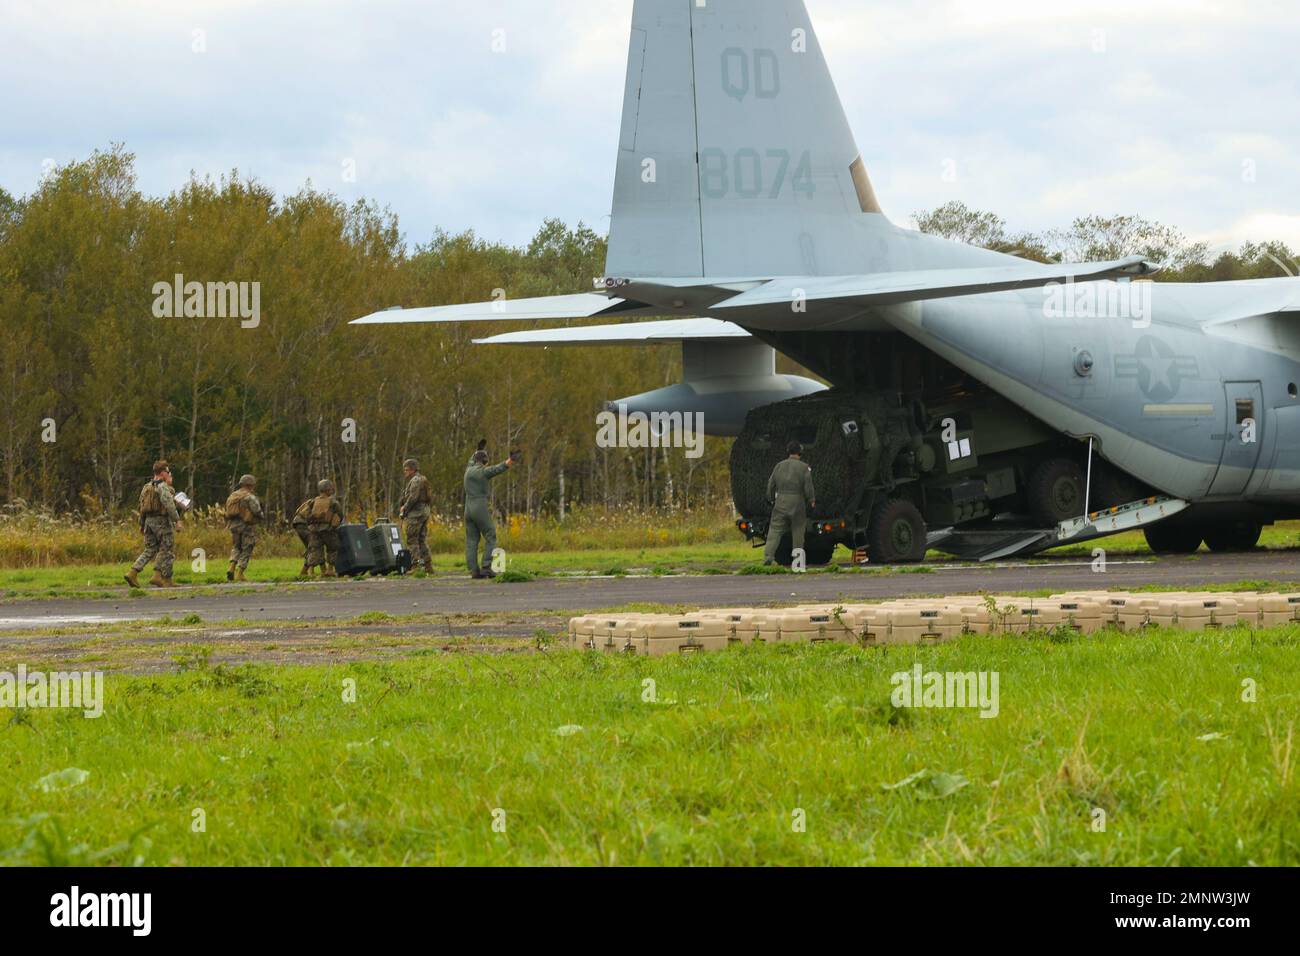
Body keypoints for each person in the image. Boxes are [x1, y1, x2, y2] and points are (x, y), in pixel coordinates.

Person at [124, 460, 182, 589]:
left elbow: (141, 506)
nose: (169, 473)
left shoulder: (147, 487)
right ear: (162, 473)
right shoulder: (162, 487)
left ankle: (132, 572)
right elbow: (169, 504)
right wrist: (177, 520)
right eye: (168, 471)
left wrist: (142, 524)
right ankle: (159, 577)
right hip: (161, 521)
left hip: (148, 522)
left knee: (150, 549)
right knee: (166, 549)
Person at [464, 448, 518, 579]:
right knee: (490, 534)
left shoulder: (468, 469)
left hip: (468, 508)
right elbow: (498, 468)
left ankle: (474, 570)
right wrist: (510, 460)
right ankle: (486, 566)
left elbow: (472, 459)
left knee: (471, 540)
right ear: (485, 461)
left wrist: (477, 449)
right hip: (479, 506)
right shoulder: (483, 472)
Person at [763, 441, 817, 566]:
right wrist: (811, 500)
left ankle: (768, 558)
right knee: (798, 532)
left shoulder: (779, 466)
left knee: (775, 530)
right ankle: (797, 562)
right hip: (797, 502)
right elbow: (808, 486)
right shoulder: (804, 467)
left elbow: (770, 485)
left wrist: (771, 499)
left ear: (788, 452)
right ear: (800, 452)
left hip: (780, 501)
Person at [224, 474, 263, 582]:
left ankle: (231, 567)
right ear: (250, 485)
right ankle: (240, 573)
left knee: (236, 547)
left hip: (233, 526)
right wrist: (261, 517)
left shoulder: (233, 496)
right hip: (246, 526)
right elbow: (257, 510)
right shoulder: (249, 496)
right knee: (247, 547)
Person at [398, 458, 433, 575]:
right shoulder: (422, 479)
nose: (405, 471)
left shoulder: (415, 481)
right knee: (421, 540)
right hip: (424, 512)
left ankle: (416, 565)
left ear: (412, 469)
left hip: (416, 514)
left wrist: (404, 509)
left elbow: (413, 498)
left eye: (406, 469)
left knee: (412, 539)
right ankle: (428, 566)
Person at [304, 479, 345, 578]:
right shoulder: (333, 502)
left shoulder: (313, 501)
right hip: (328, 530)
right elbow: (339, 515)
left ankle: (322, 570)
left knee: (316, 549)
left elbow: (306, 514)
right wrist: (334, 526)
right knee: (333, 548)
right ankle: (330, 570)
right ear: (328, 490)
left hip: (314, 530)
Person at [291, 497, 313, 576]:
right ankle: (304, 571)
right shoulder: (315, 504)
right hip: (302, 524)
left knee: (310, 547)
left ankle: (309, 571)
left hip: (298, 523)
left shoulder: (309, 502)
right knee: (313, 547)